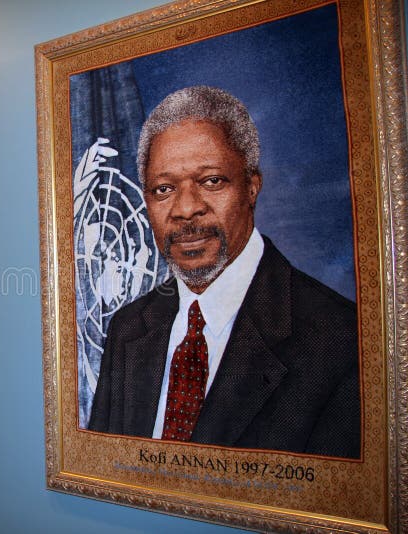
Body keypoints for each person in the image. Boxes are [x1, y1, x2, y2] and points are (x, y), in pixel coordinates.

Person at [88, 86, 360, 458]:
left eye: (211, 181)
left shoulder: (341, 341)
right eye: (163, 189)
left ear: (251, 187)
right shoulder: (128, 328)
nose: (185, 209)